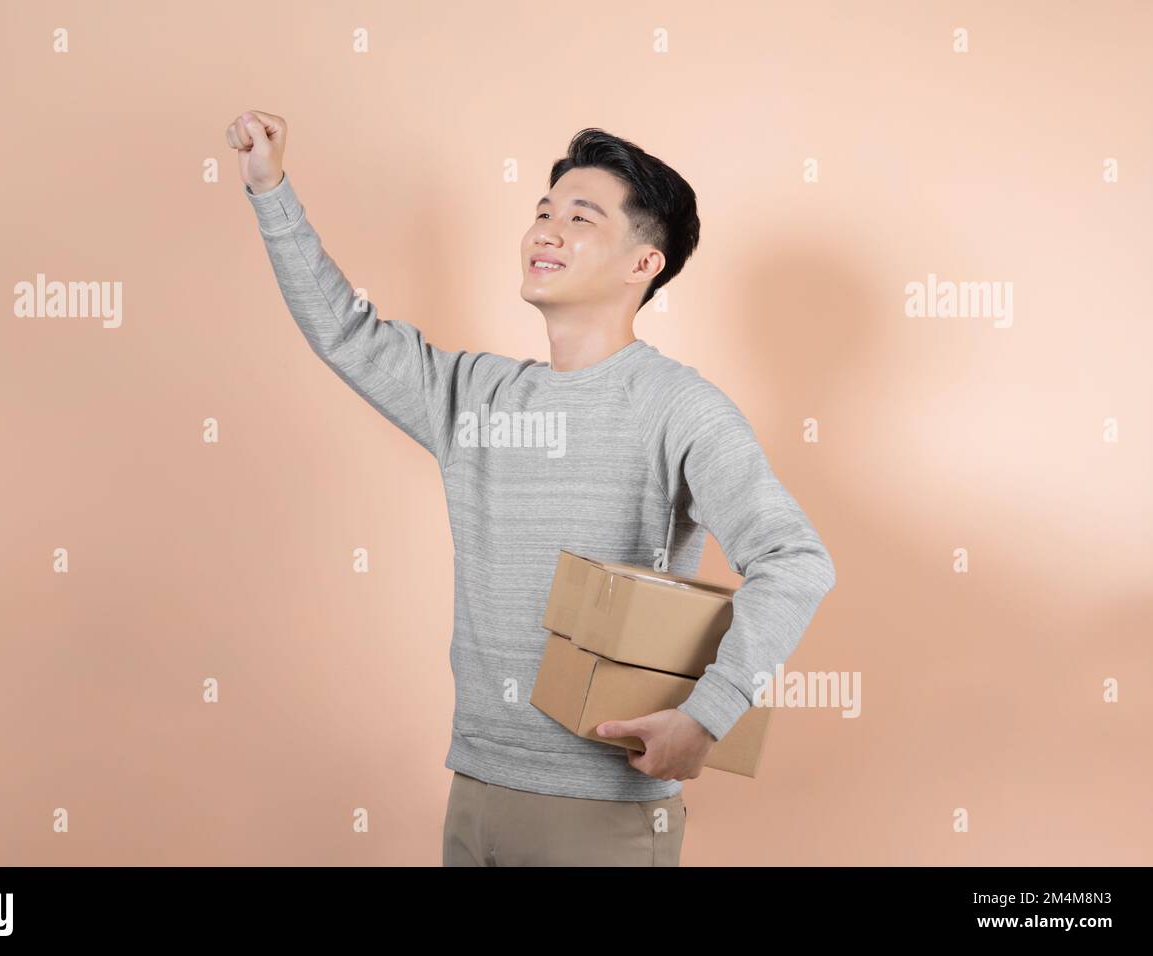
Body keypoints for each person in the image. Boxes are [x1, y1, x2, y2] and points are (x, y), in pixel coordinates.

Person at [225, 112, 836, 866]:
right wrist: (271, 191)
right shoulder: (474, 396)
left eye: (580, 218)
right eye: (543, 212)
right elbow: (347, 335)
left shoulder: (679, 406)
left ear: (644, 263)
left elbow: (794, 560)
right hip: (475, 790)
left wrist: (708, 716)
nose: (546, 230)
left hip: (602, 812)